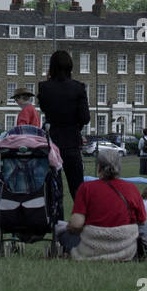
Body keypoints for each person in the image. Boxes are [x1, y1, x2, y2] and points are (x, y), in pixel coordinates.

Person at [57, 146, 147, 261]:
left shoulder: (86, 188)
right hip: (125, 248)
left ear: (99, 167)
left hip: (91, 246)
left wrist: (69, 226)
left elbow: (77, 224)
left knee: (61, 230)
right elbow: (142, 220)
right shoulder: (132, 188)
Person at [38, 50, 90, 201]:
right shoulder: (78, 87)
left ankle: (55, 220)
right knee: (77, 188)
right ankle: (81, 219)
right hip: (72, 141)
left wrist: (48, 81)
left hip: (52, 141)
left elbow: (45, 109)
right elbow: (85, 118)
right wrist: (76, 125)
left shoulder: (44, 87)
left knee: (53, 187)